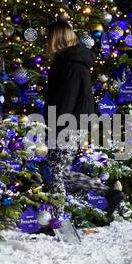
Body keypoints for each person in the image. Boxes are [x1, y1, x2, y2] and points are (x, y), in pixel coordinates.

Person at [43, 21, 94, 200]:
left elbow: (66, 99)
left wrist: (54, 129)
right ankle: (106, 194)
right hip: (73, 122)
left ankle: (57, 216)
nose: (46, 42)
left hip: (70, 123)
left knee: (57, 170)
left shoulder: (71, 64)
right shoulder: (66, 60)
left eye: (48, 38)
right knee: (61, 169)